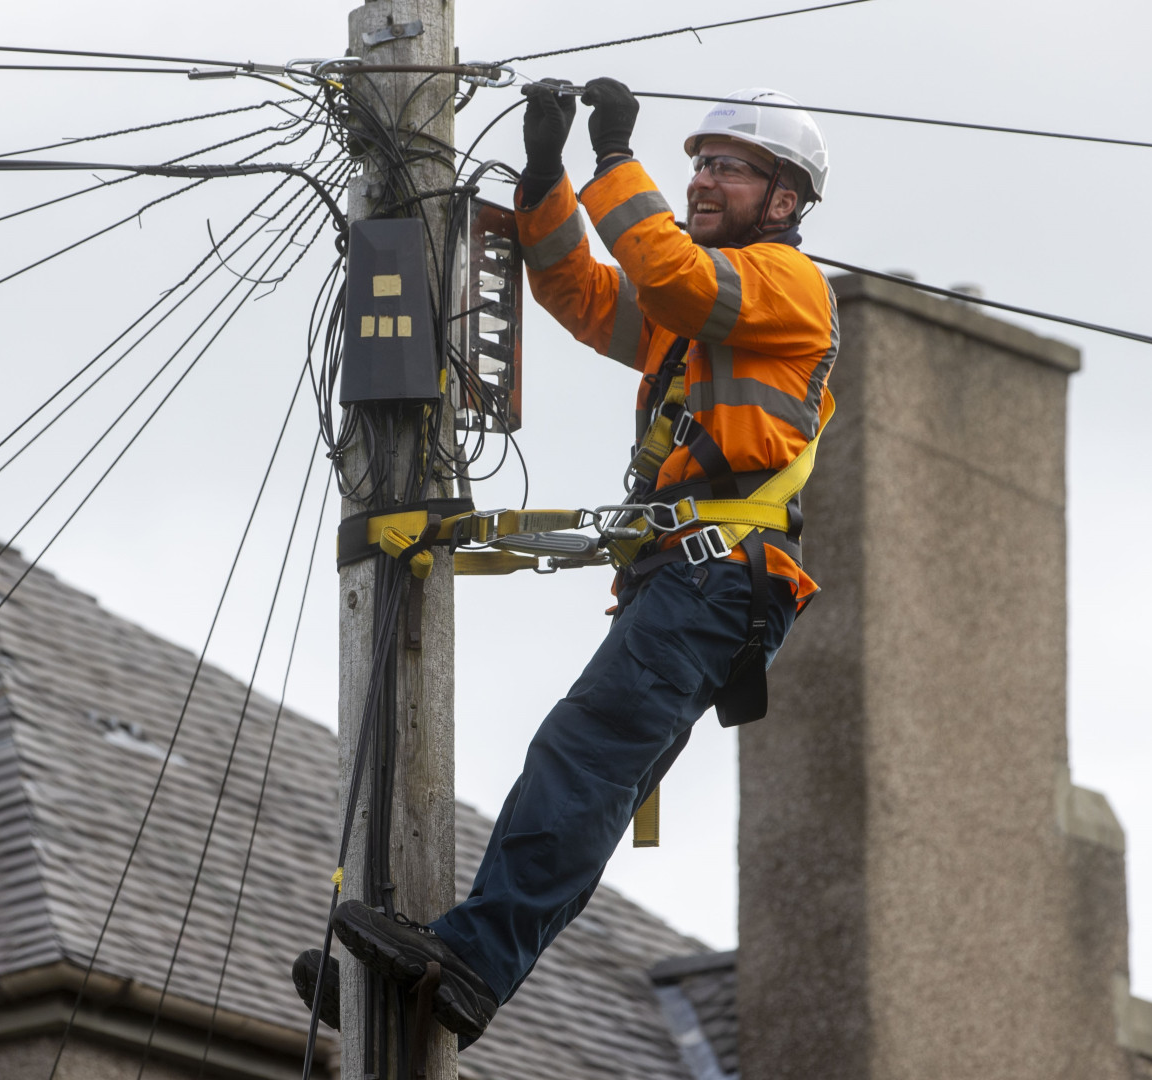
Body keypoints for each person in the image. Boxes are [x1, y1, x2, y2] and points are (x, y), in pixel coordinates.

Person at [296, 79, 841, 1044]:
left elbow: (669, 276)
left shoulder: (786, 290)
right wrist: (548, 182)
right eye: (700, 163)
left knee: (579, 761)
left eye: (728, 167)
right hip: (694, 580)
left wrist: (609, 163)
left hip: (718, 577)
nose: (704, 179)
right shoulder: (703, 321)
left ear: (784, 200)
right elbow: (589, 300)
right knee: (585, 770)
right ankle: (435, 986)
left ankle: (471, 962)